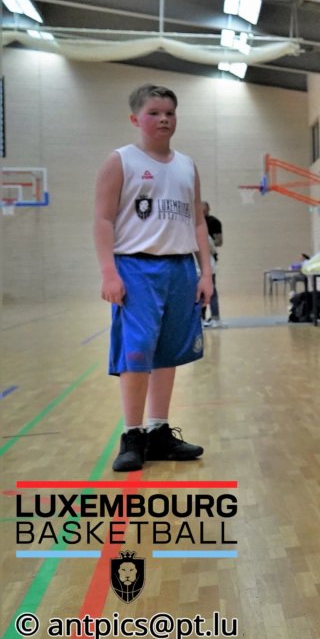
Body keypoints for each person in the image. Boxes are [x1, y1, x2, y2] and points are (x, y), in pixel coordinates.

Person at [93, 83, 213, 472]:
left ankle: (159, 431)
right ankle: (132, 434)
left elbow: (197, 222)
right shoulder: (120, 161)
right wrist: (109, 272)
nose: (164, 119)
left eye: (170, 113)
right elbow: (103, 219)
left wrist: (206, 271)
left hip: (180, 267)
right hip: (136, 266)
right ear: (135, 119)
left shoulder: (187, 165)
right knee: (138, 350)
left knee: (169, 350)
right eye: (154, 113)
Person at [201, 202, 223, 328]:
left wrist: (208, 244)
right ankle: (201, 317)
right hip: (197, 264)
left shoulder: (214, 222)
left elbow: (219, 242)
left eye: (204, 210)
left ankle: (215, 317)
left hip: (209, 262)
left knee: (212, 290)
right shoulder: (193, 222)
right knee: (199, 291)